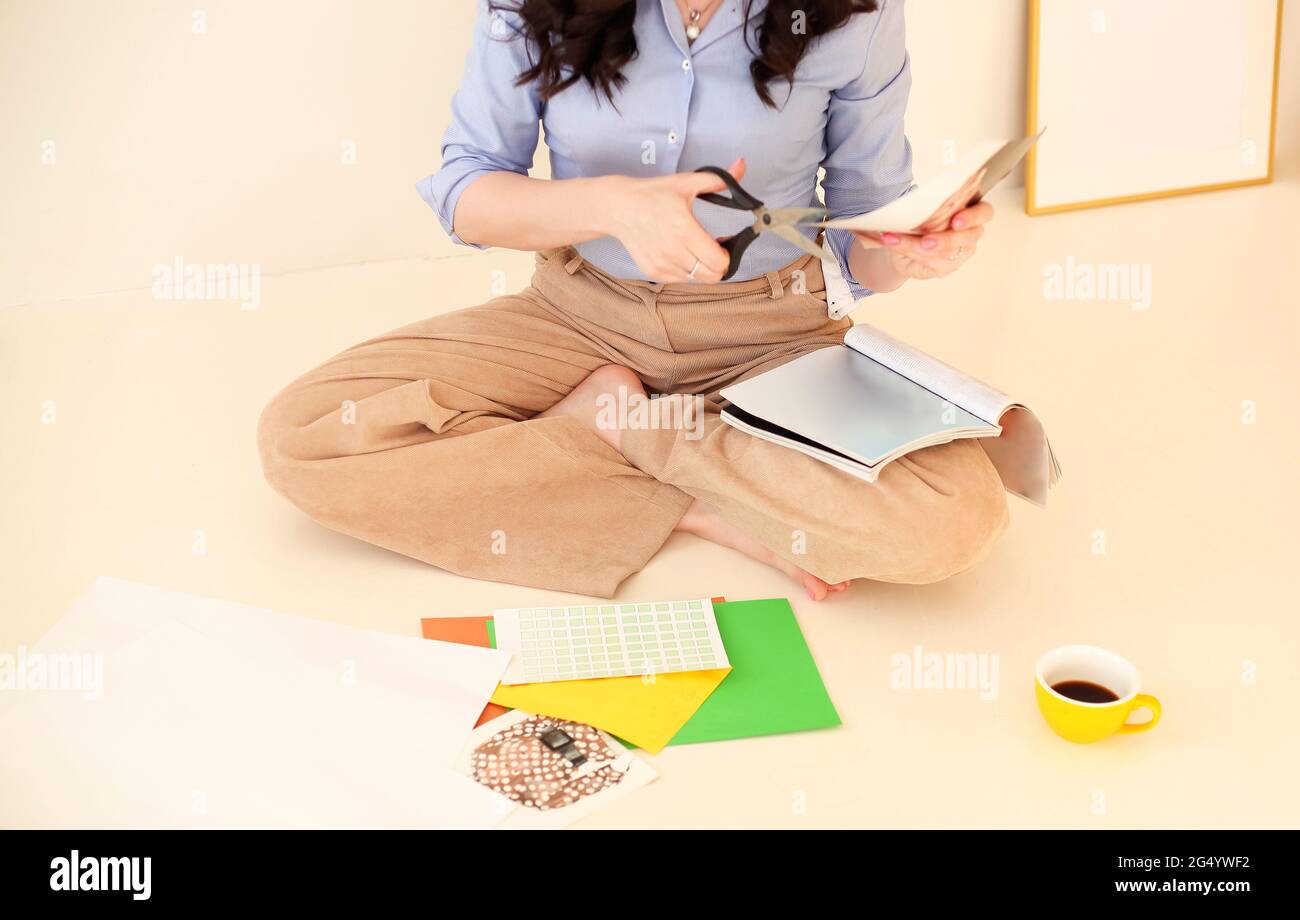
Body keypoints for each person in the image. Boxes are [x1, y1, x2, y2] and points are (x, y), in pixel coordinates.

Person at [257, 0, 1008, 600]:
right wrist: (615, 206)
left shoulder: (855, 11)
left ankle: (622, 428)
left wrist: (916, 248)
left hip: (773, 330)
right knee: (305, 437)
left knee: (954, 520)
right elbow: (468, 193)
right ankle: (697, 503)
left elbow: (859, 239)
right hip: (578, 316)